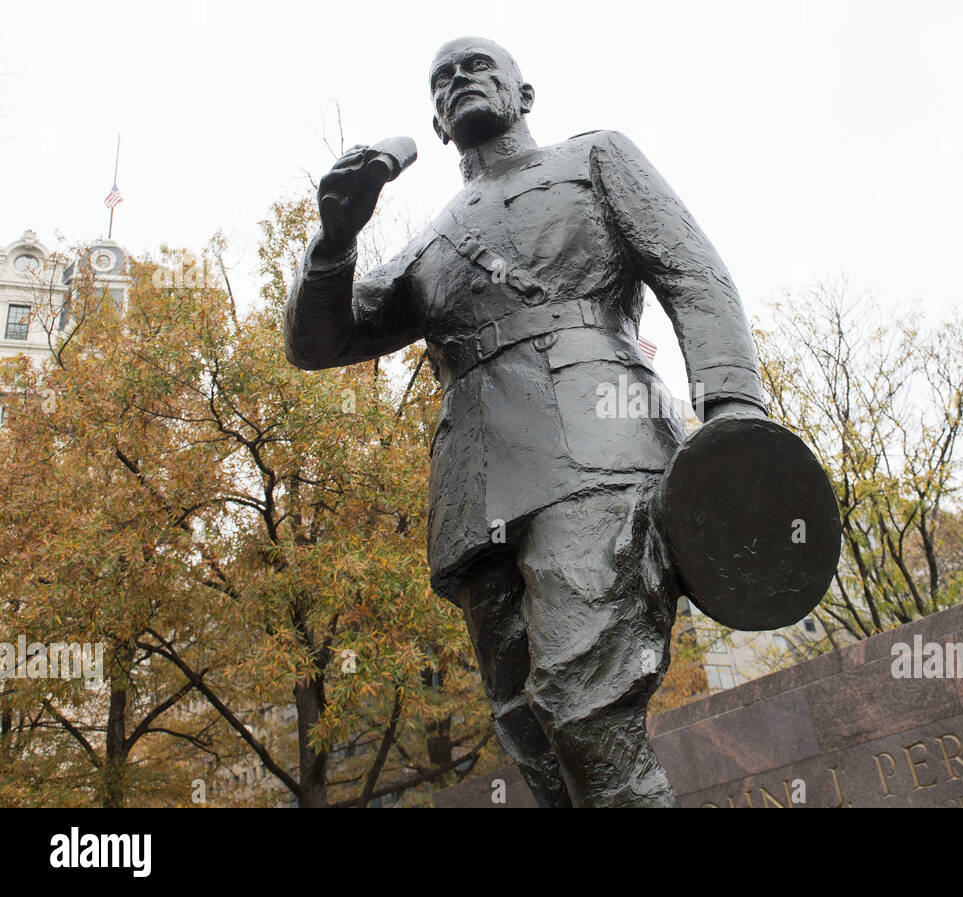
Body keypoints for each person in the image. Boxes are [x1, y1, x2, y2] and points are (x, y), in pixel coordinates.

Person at [284, 36, 766, 807]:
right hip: (479, 492)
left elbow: (694, 273)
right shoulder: (432, 241)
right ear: (437, 125)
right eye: (441, 80)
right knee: (527, 728)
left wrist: (734, 412)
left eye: (478, 68)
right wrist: (334, 242)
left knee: (585, 701)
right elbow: (319, 342)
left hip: (601, 454)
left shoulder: (596, 159)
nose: (458, 81)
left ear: (524, 95)